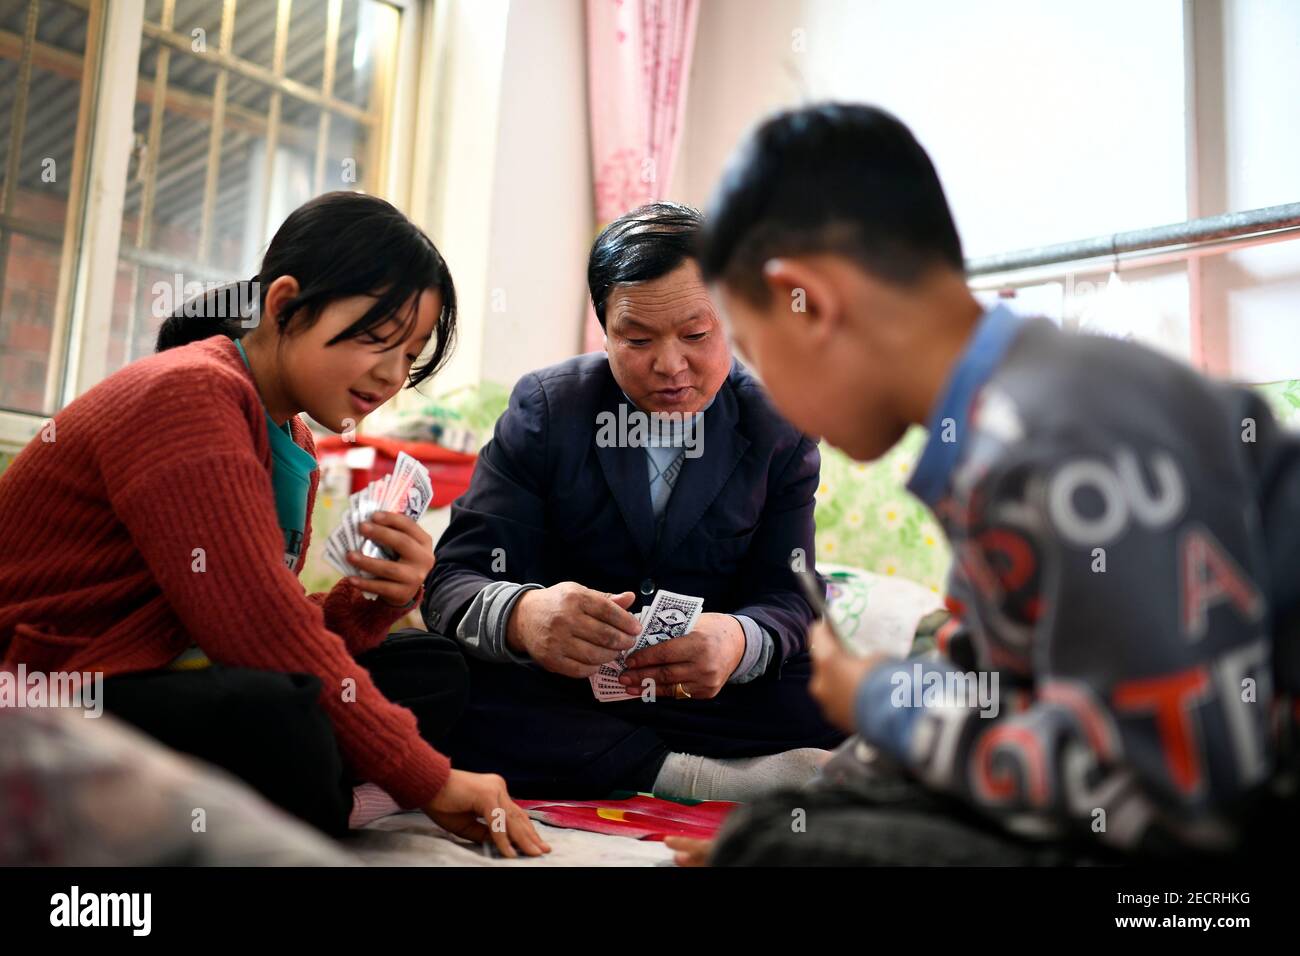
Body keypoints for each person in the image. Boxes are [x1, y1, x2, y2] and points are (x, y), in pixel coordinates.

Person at [667, 102, 1299, 865]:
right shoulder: (999, 417)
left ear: (812, 304)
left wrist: (881, 699)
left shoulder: (1053, 432)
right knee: (794, 820)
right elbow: (994, 681)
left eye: (757, 356)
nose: (763, 389)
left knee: (784, 848)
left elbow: (1176, 795)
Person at [0, 191, 548, 857]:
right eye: (377, 338)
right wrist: (429, 779)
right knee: (277, 716)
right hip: (46, 696)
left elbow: (267, 624)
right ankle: (337, 797)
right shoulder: (189, 394)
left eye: (410, 353)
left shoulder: (291, 437)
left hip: (159, 674)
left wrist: (373, 599)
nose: (391, 373)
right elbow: (256, 631)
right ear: (284, 304)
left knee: (433, 667)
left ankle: (327, 797)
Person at [424, 202, 846, 800]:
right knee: (427, 677)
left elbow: (792, 592)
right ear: (604, 330)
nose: (670, 366)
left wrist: (735, 640)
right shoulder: (548, 410)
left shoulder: (778, 422)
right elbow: (451, 581)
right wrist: (525, 617)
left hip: (706, 692)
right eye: (638, 339)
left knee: (837, 687)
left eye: (697, 335)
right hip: (559, 685)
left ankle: (611, 757)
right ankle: (686, 774)